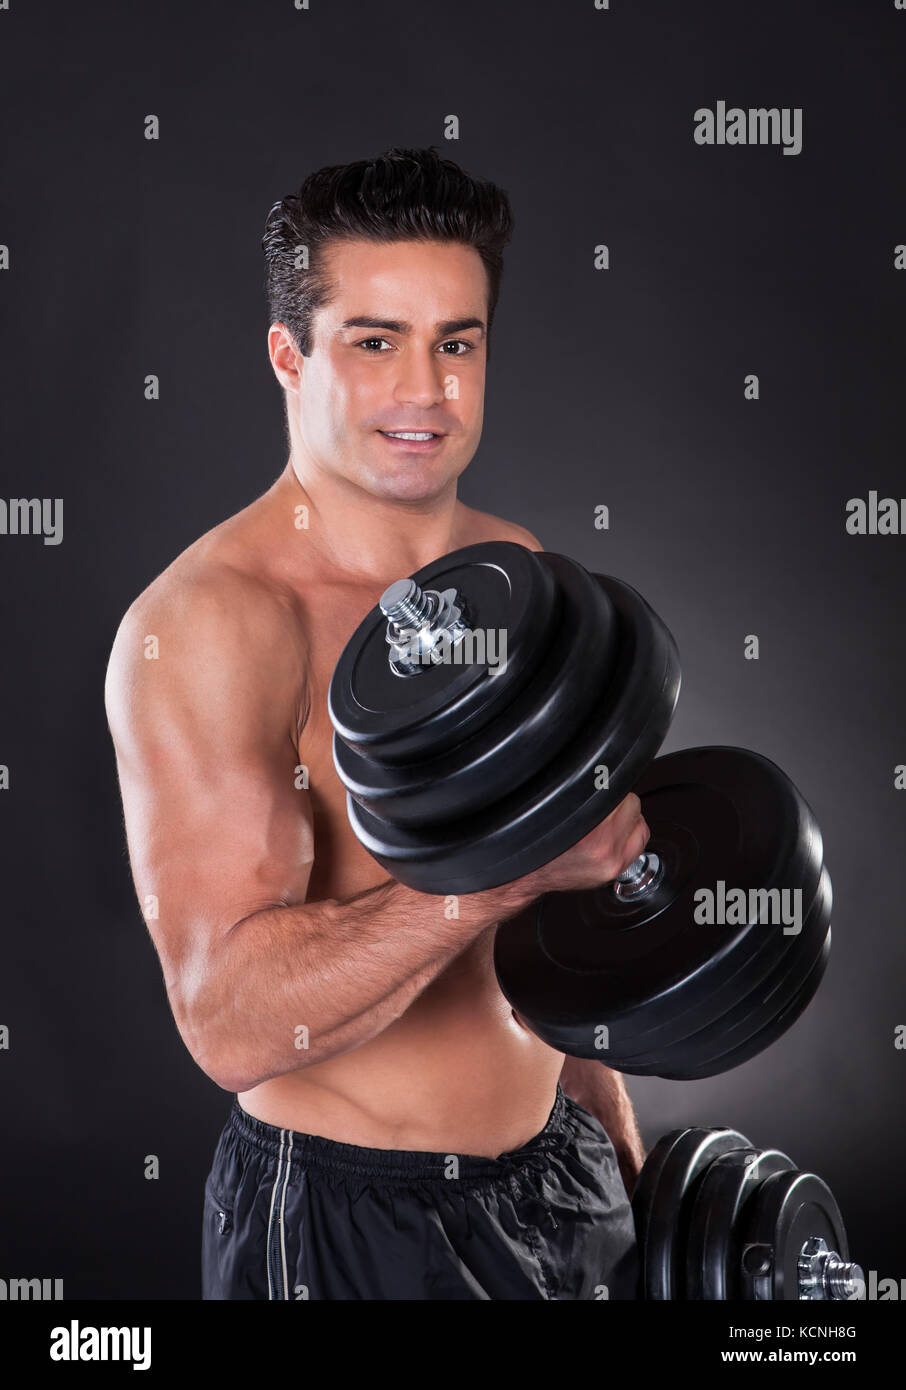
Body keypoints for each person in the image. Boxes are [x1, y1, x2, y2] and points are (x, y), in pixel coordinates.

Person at [104, 146, 651, 1300]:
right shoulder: (211, 625)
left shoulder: (521, 570)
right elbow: (230, 1022)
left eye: (457, 343)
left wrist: (606, 1122)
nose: (427, 390)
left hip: (560, 1179)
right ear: (287, 355)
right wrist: (497, 875)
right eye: (374, 341)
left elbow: (548, 933)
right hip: (348, 1220)